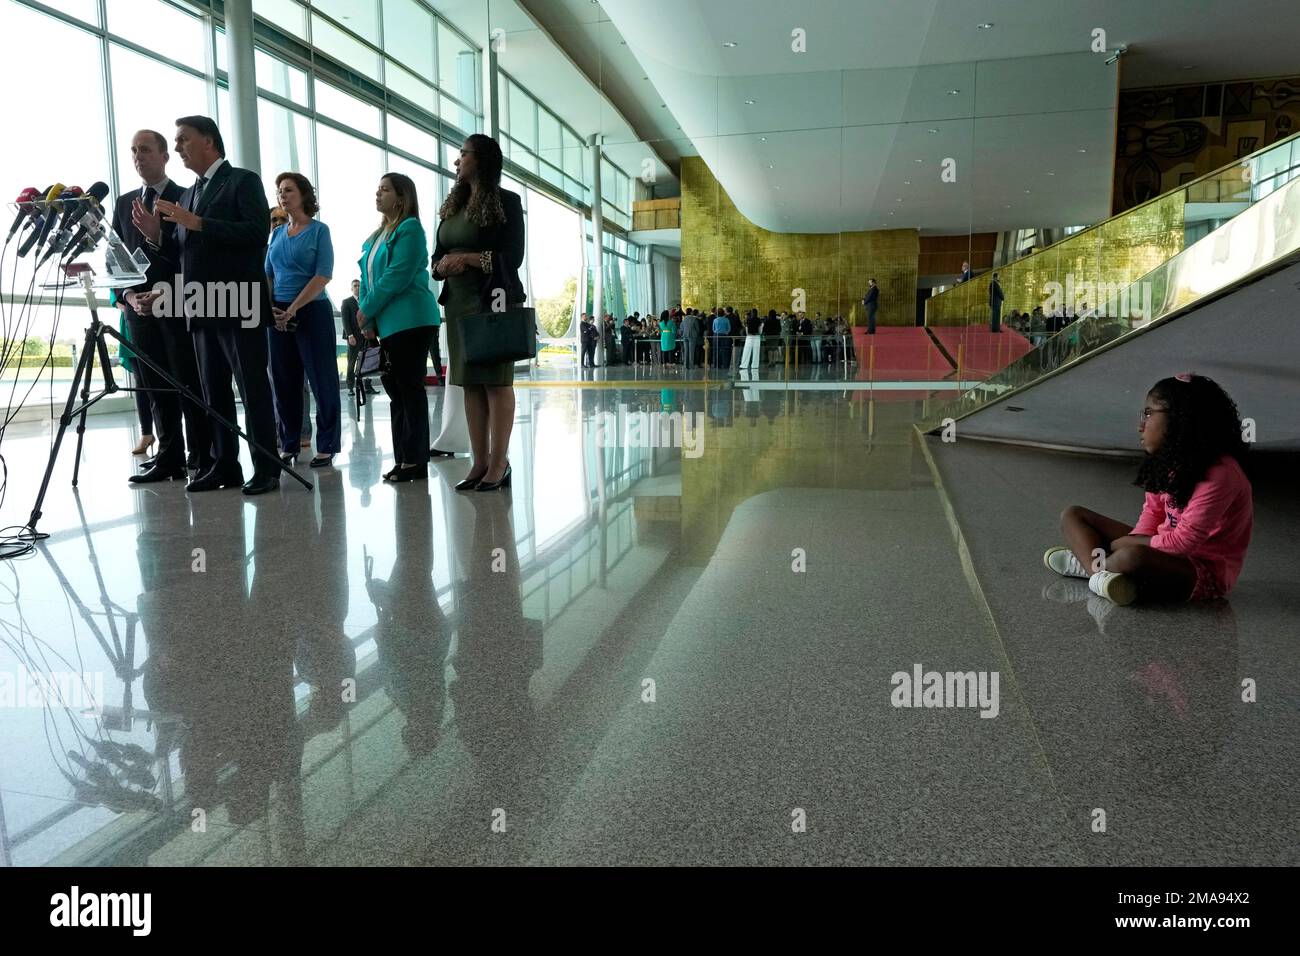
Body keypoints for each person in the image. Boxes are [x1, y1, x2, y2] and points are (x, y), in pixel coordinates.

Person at [133, 115, 277, 494]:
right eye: (177, 141)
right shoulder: (187, 195)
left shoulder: (242, 181)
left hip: (240, 302)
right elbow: (182, 257)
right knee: (212, 392)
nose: (178, 146)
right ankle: (224, 465)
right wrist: (157, 239)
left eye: (183, 139)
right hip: (200, 306)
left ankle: (266, 467)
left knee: (252, 388)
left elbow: (255, 232)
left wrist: (198, 224)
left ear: (209, 141)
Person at [1046, 374, 1252, 606]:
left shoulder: (1221, 473)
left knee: (1133, 556)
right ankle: (1102, 574)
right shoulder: (1168, 462)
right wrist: (1132, 538)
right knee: (1073, 515)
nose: (1140, 425)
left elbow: (1185, 542)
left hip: (1199, 571)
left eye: (1149, 413)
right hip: (1160, 545)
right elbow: (1152, 514)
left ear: (1180, 419)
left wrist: (1125, 545)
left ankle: (1092, 567)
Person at [114, 129, 211, 482]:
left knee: (187, 382)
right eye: (133, 150)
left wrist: (163, 291)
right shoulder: (124, 204)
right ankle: (168, 457)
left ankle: (200, 456)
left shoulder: (185, 198)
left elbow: (190, 259)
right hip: (139, 311)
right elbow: (117, 261)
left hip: (176, 306)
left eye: (145, 150)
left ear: (165, 156)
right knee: (154, 386)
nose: (138, 156)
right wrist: (126, 297)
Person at [431, 133, 525, 493]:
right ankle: (479, 461)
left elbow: (513, 257)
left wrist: (469, 259)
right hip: (457, 300)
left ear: (482, 159)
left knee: (496, 381)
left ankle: (499, 463)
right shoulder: (452, 206)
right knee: (469, 381)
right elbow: (435, 256)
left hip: (491, 298)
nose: (457, 161)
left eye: (463, 154)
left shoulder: (507, 202)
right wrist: (442, 268)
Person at [357, 173, 440, 483]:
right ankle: (404, 457)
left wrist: (366, 309)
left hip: (413, 320)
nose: (378, 194)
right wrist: (370, 321)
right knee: (396, 392)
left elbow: (397, 276)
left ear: (402, 198)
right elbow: (367, 278)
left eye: (385, 189)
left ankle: (415, 461)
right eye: (377, 188)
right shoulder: (376, 237)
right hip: (388, 323)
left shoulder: (410, 229)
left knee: (409, 389)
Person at [264, 172, 340, 469]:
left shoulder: (320, 231)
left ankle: (327, 445)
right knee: (283, 382)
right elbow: (268, 275)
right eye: (280, 191)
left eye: (289, 190)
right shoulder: (276, 234)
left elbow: (323, 275)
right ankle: (289, 442)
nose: (283, 195)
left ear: (304, 195)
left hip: (311, 310)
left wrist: (293, 308)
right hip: (277, 312)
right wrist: (270, 308)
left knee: (322, 380)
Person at [341, 279, 379, 396]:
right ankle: (350, 387)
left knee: (369, 361)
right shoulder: (347, 302)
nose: (357, 288)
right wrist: (350, 335)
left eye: (359, 286)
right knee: (352, 362)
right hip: (354, 337)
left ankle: (368, 387)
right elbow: (345, 320)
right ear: (351, 288)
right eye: (355, 286)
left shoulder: (366, 301)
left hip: (367, 336)